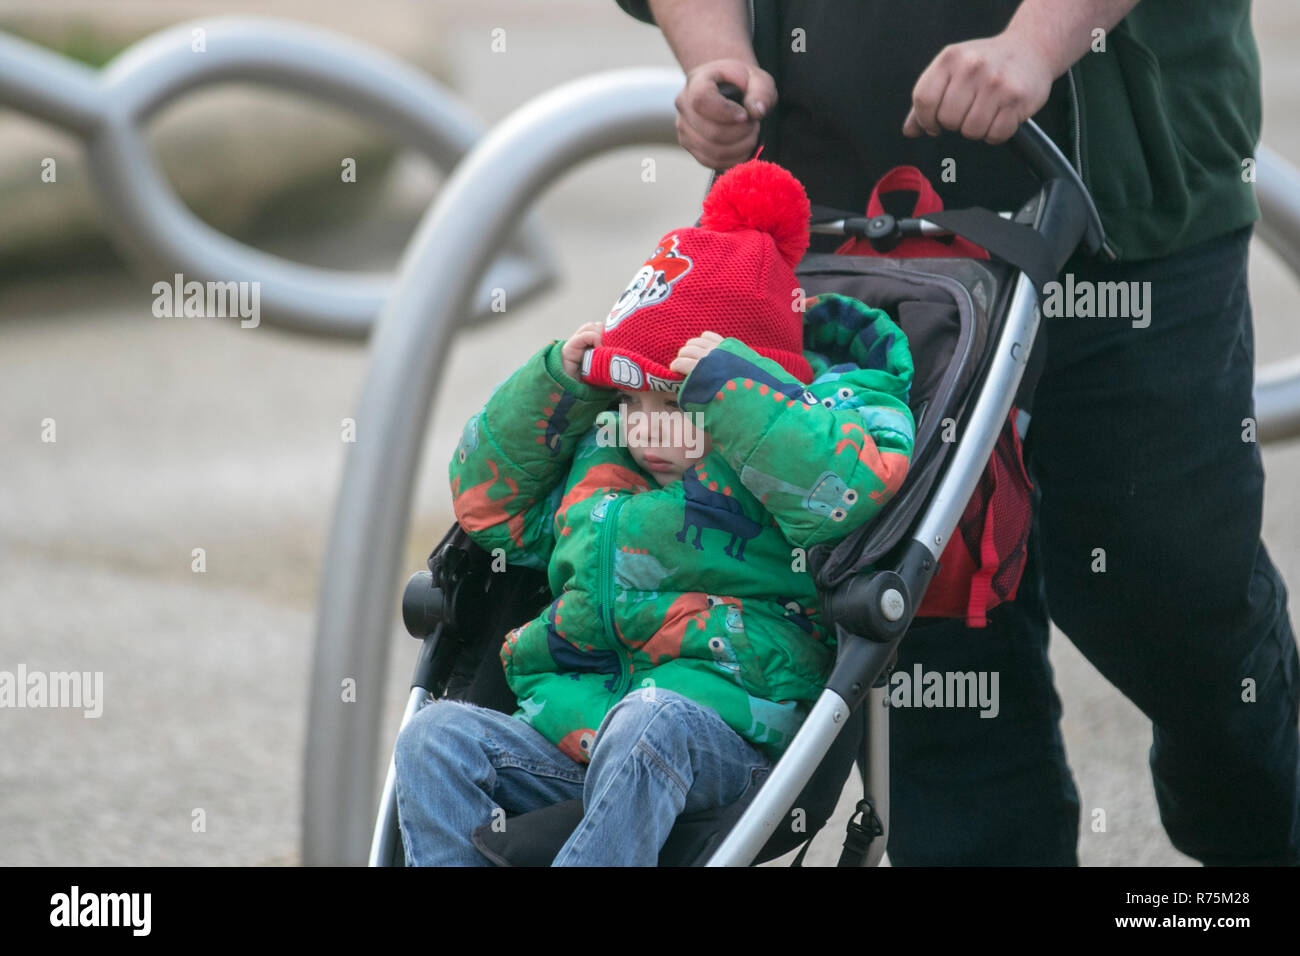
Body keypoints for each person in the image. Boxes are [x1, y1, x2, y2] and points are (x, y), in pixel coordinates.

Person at [616, 0, 1300, 865]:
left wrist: (1037, 42)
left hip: (1125, 210)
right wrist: (717, 55)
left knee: (1174, 601)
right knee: (920, 635)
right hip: (850, 226)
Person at [393, 158, 917, 866]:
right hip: (574, 737)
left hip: (722, 741)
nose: (646, 429)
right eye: (631, 402)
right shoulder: (602, 460)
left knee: (651, 720)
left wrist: (731, 394)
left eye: (674, 403)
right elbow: (488, 510)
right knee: (433, 738)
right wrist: (556, 386)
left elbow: (848, 486)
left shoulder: (799, 447)